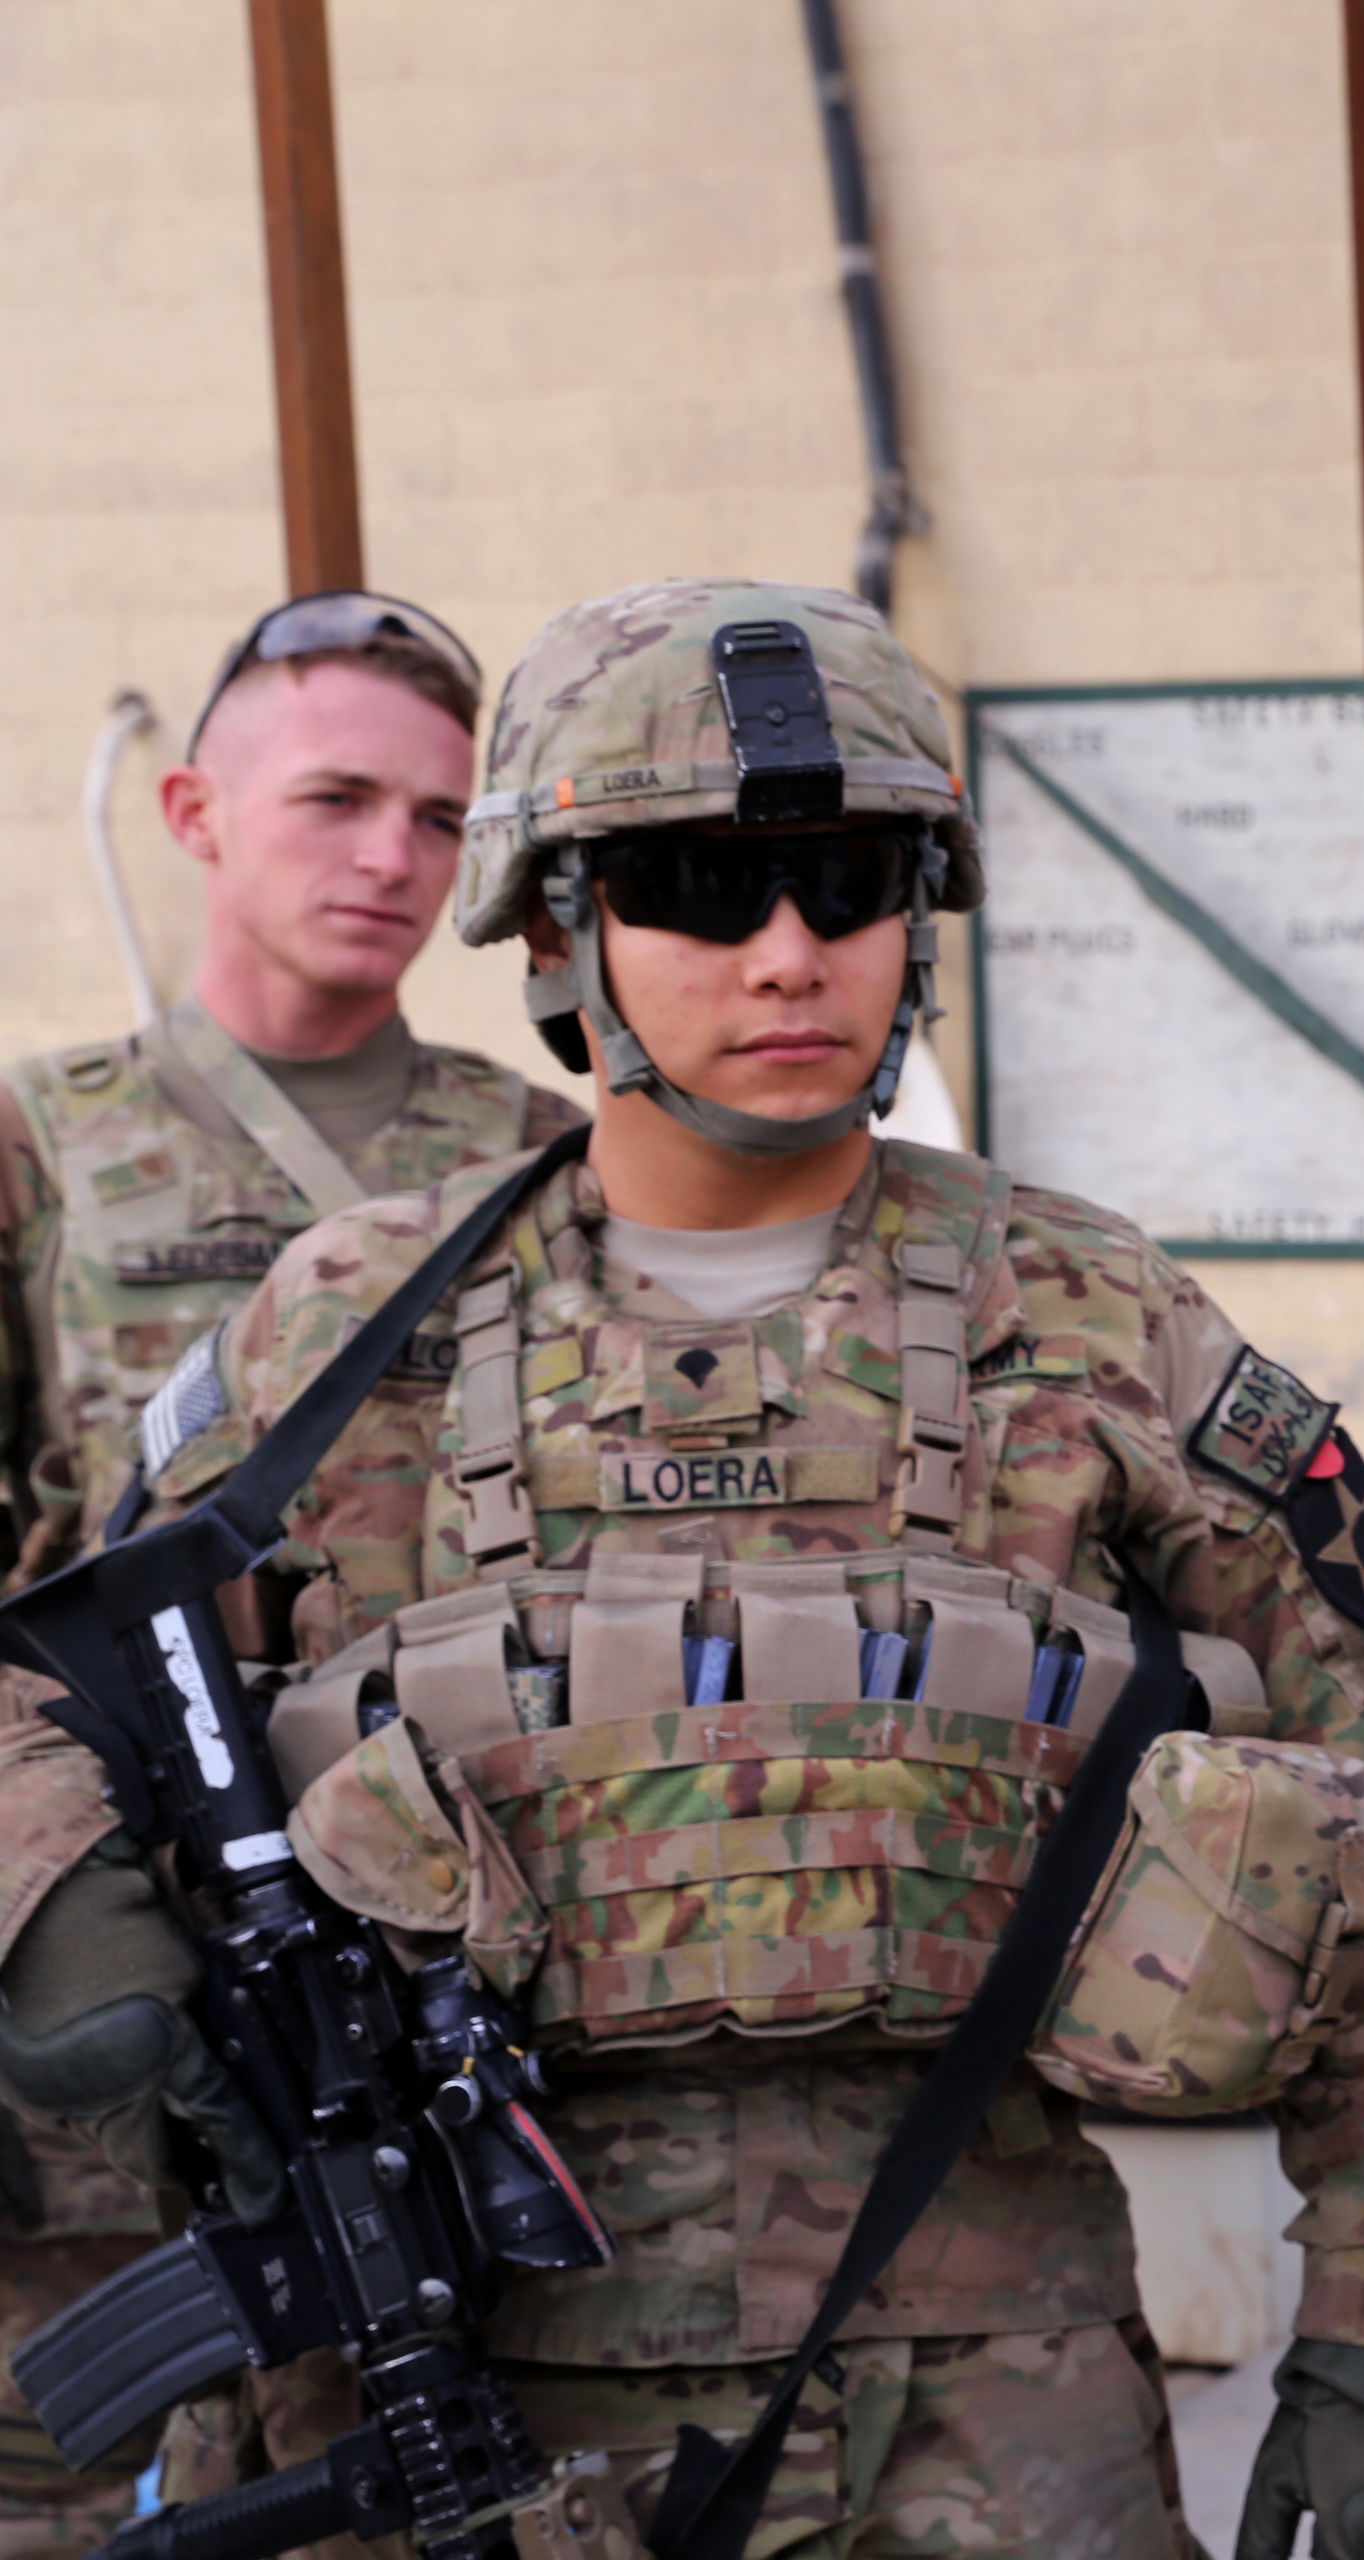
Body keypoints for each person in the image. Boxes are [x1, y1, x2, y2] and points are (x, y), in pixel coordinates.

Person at [0, 579, 1364, 2559]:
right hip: (454, 2368)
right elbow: (74, 1675)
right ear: (559, 926)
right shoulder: (341, 1336)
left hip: (992, 2380)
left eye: (850, 877)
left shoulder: (1090, 1318)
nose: (791, 952)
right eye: (705, 886)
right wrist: (63, 1892)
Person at [0, 591, 584, 2558]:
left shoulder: (542, 1162)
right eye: (337, 797)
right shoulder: (46, 1151)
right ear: (192, 809)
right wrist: (45, 1903)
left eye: (438, 819)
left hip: (448, 1977)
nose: (392, 859)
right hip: (106, 2006)